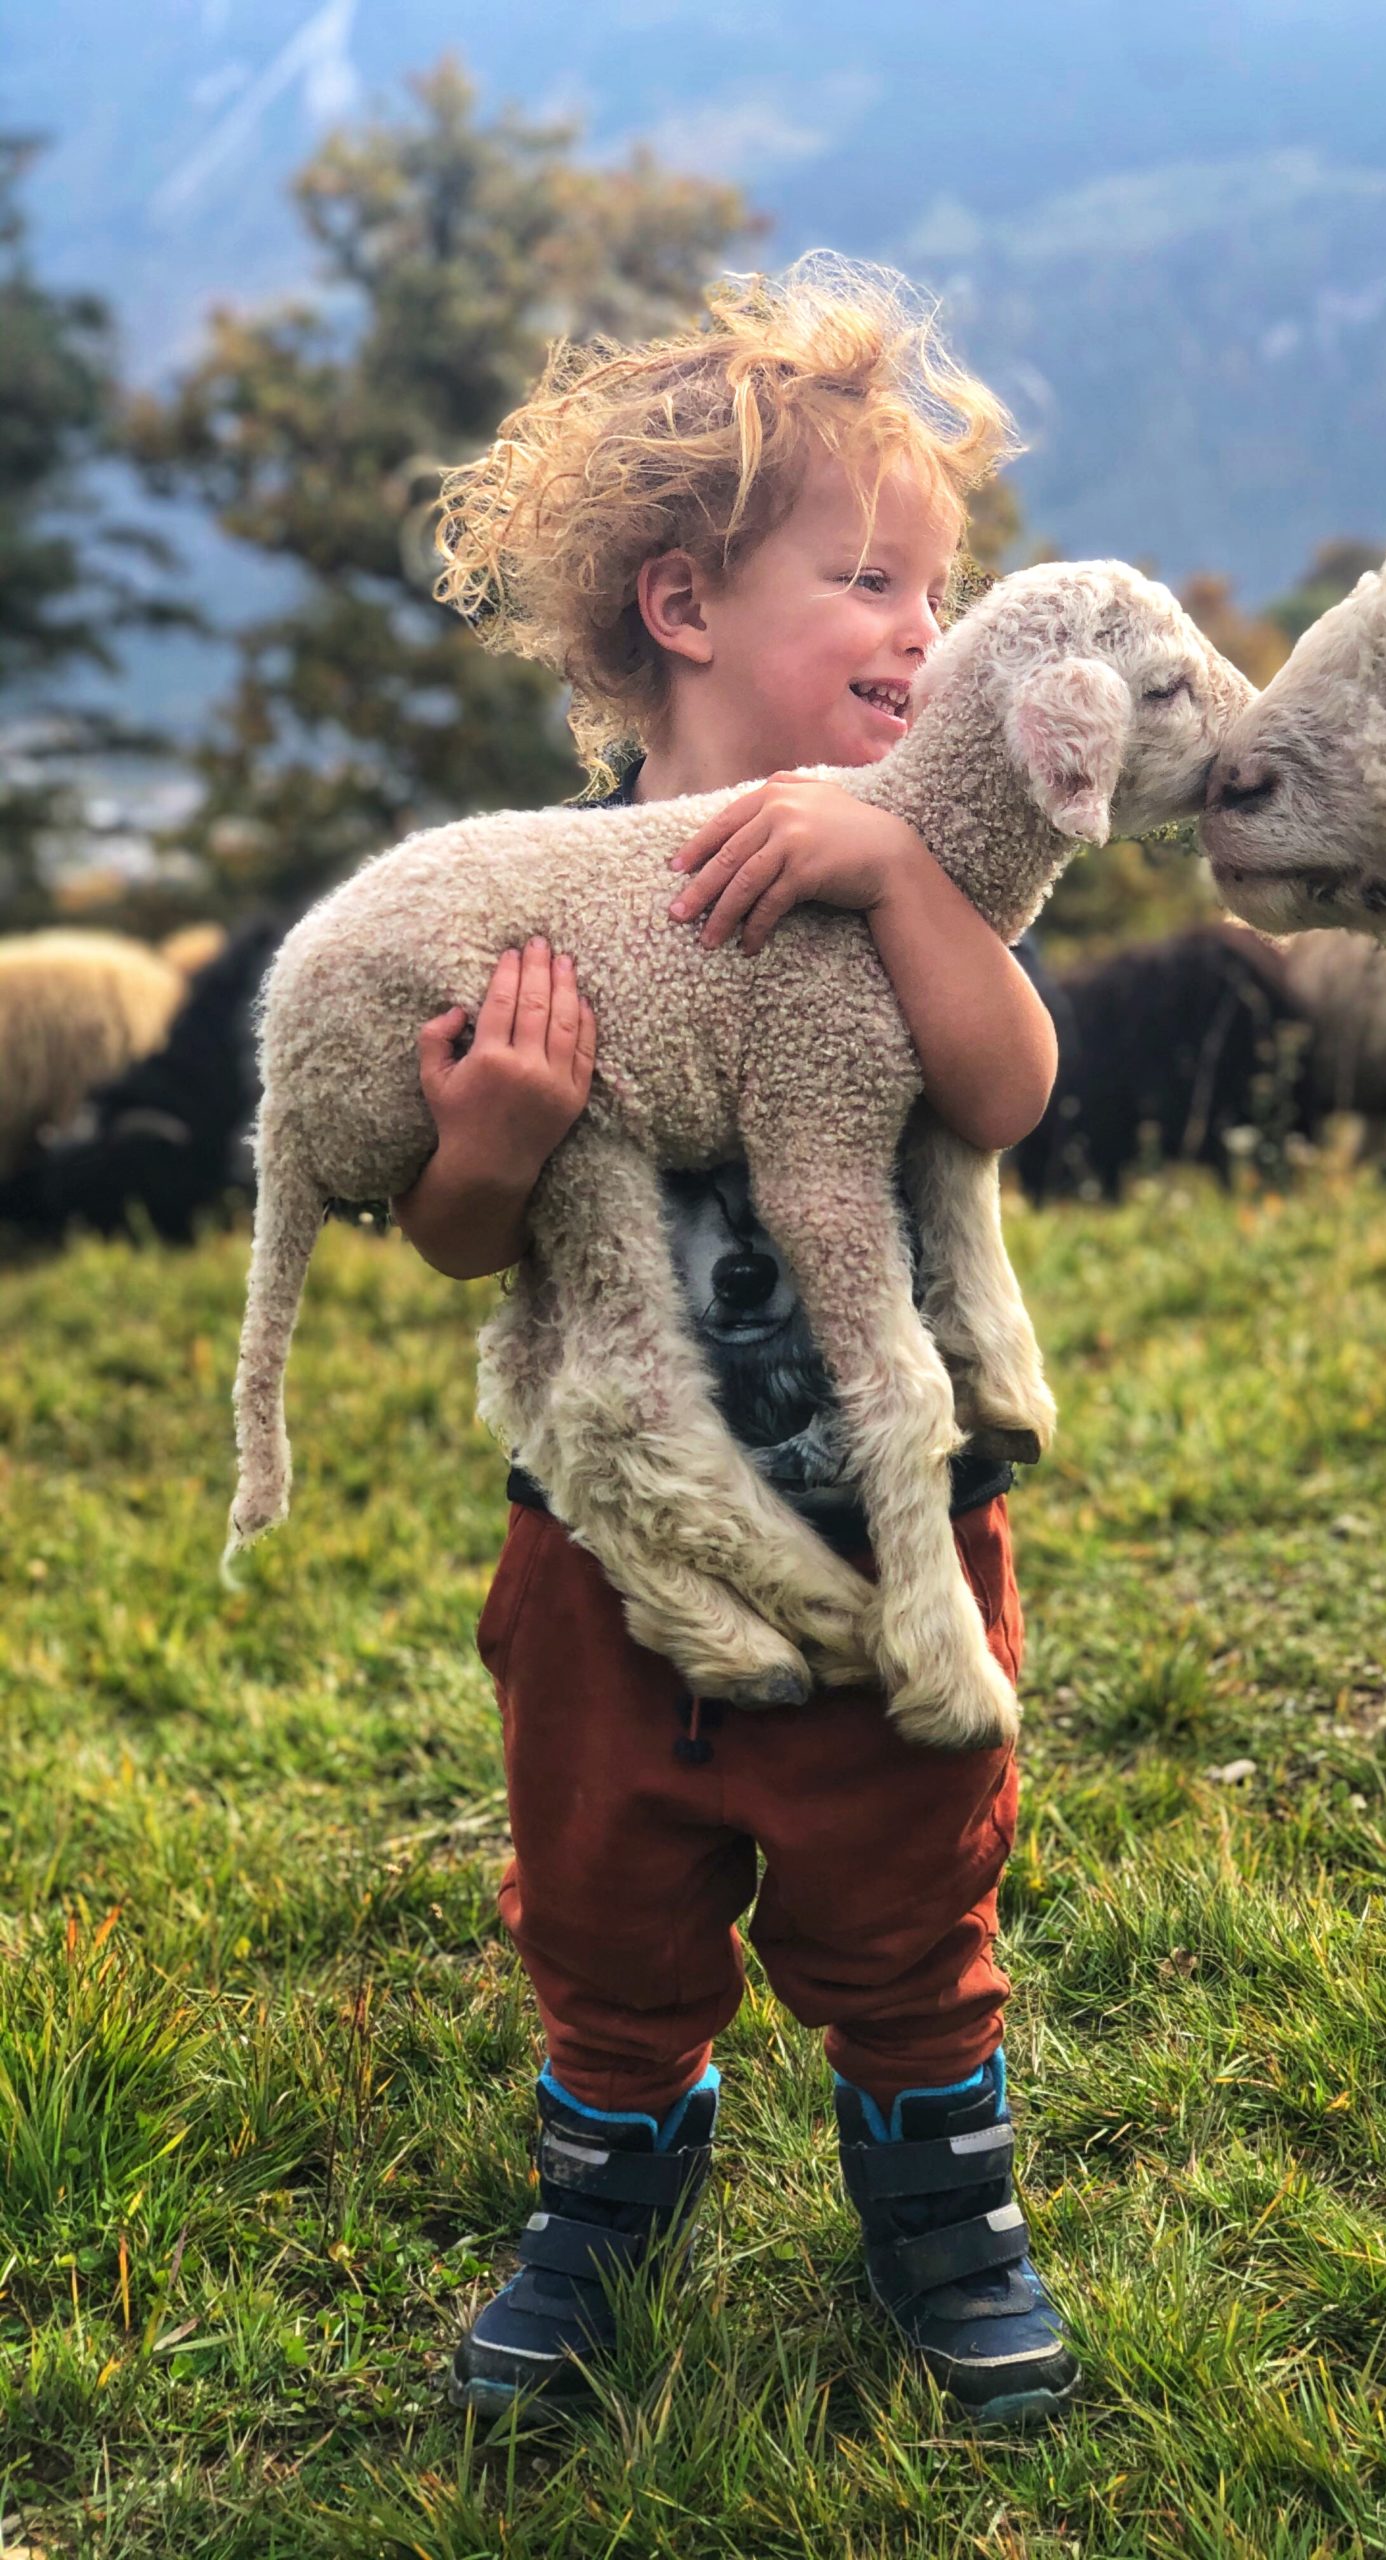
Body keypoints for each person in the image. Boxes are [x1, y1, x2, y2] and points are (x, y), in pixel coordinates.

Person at [397, 258, 1076, 2424]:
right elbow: (453, 1240)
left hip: (889, 1532)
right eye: (869, 580)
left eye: (939, 591)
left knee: (904, 1889)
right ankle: (606, 2192)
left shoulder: (907, 872)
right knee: (604, 1895)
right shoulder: (540, 894)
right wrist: (492, 1142)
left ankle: (945, 2216)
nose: (924, 633)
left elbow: (1009, 1092)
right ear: (682, 604)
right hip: (611, 1556)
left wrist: (903, 879)